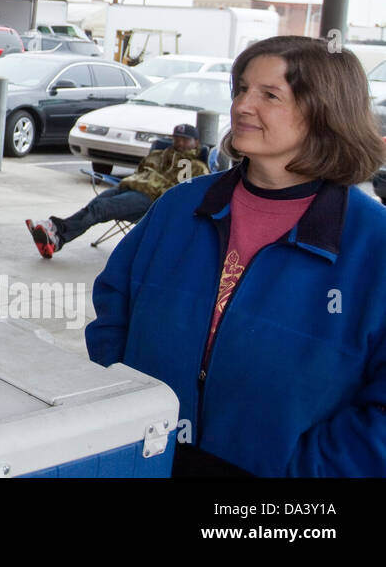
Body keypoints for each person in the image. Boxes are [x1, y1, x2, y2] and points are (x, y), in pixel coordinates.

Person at [87, 36, 386, 476]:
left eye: (269, 95)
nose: (243, 106)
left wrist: (299, 469)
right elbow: (113, 310)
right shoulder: (179, 206)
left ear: (325, 111)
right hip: (149, 458)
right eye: (241, 89)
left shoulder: (373, 244)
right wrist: (126, 408)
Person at [27, 124, 208, 257]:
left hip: (150, 199)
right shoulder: (158, 155)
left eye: (185, 139)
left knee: (100, 208)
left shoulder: (196, 167)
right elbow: (140, 172)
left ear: (196, 142)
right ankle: (57, 237)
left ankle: (57, 231)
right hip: (127, 186)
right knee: (96, 204)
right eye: (177, 138)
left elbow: (189, 196)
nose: (180, 143)